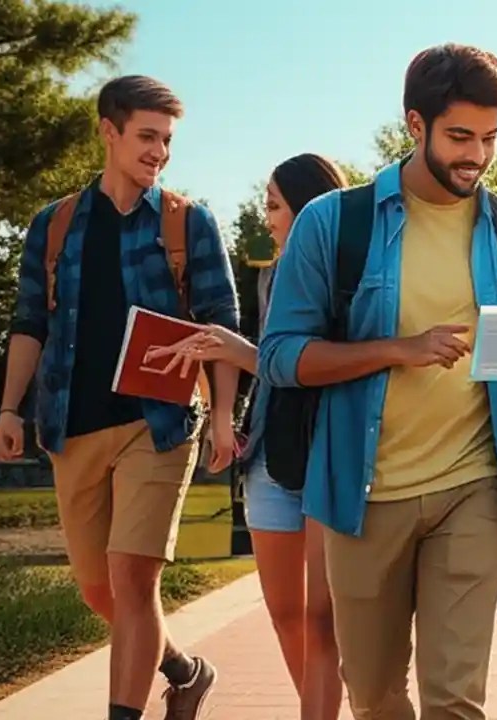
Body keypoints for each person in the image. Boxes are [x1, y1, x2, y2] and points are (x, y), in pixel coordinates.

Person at [255, 43, 497, 719]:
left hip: (472, 488)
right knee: (376, 693)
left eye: (491, 138)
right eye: (461, 136)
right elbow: (281, 357)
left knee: (456, 699)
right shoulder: (334, 224)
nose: (477, 155)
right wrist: (396, 349)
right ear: (416, 125)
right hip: (361, 492)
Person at [0, 75, 240, 720]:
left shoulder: (190, 224)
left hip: (156, 426)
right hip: (71, 425)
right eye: (147, 137)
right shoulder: (55, 226)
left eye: (168, 141)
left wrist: (221, 419)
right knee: (100, 591)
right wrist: (9, 410)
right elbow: (28, 324)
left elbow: (221, 329)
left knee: (133, 579)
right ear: (109, 131)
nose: (159, 152)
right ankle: (184, 670)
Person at [146, 154, 349, 718]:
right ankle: (315, 705)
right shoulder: (270, 271)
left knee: (321, 615)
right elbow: (274, 369)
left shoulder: (345, 271)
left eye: (275, 206)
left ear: (309, 208)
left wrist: (235, 349)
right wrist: (228, 419)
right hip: (269, 455)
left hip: (327, 453)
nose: (268, 219)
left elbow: (309, 366)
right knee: (285, 611)